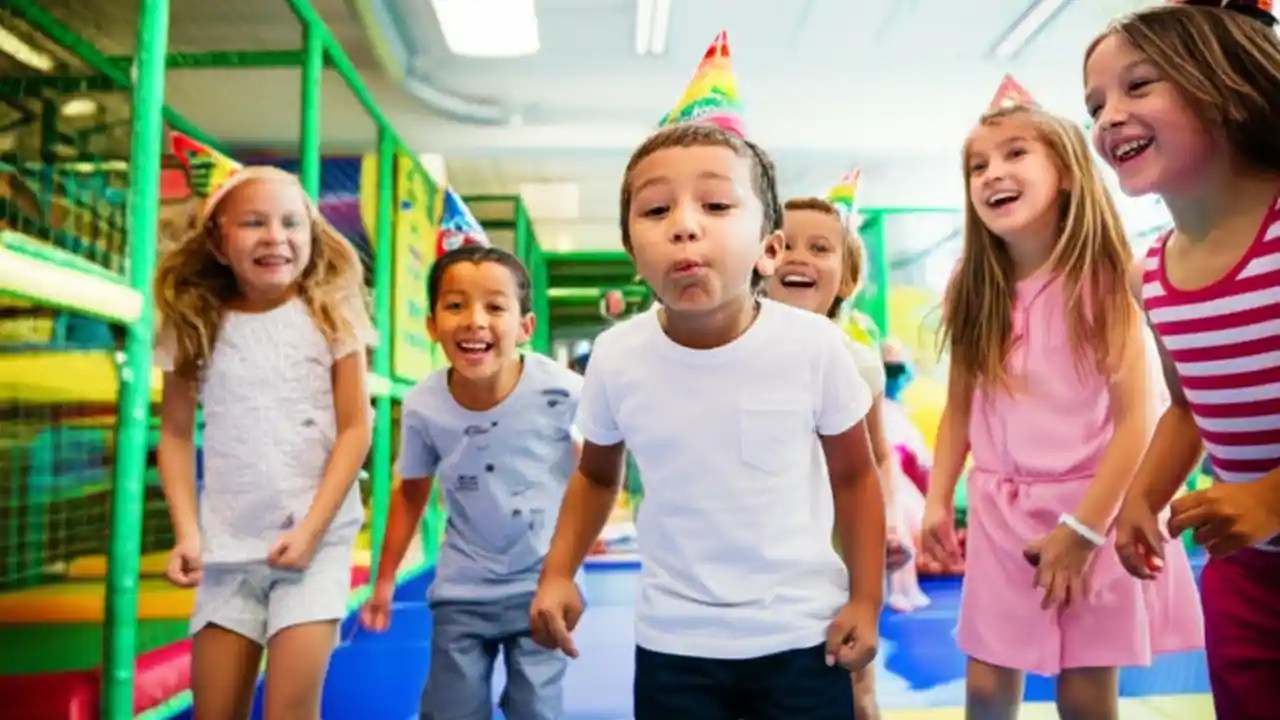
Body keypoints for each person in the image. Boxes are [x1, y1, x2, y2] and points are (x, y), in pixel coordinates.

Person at [528, 30, 885, 720]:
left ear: (769, 249)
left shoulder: (814, 348)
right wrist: (557, 573)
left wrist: (866, 598)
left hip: (801, 634)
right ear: (634, 253)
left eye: (716, 206)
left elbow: (855, 476)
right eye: (657, 211)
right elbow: (598, 475)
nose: (685, 226)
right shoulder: (619, 355)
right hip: (675, 643)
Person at [920, 92, 1203, 720]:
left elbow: (1139, 421)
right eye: (977, 166)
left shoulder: (1108, 281)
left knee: (1083, 687)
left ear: (1069, 173)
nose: (993, 173)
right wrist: (939, 497)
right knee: (989, 685)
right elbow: (959, 410)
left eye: (1016, 153)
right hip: (1001, 512)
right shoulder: (973, 284)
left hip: (1091, 508)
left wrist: (1084, 531)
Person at [1084, 2, 1280, 716]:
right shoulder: (1155, 276)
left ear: (1226, 85)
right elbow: (1192, 406)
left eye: (1139, 86)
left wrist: (1269, 497)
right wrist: (1144, 495)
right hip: (1249, 573)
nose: (1109, 117)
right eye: (1096, 103)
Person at [153, 161, 376, 719]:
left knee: (290, 713)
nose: (276, 237)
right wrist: (187, 533)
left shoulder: (332, 315)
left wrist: (310, 531)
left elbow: (356, 427)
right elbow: (176, 434)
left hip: (312, 545)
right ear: (219, 242)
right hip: (228, 549)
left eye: (290, 223)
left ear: (312, 235)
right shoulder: (196, 323)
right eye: (254, 223)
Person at [359, 245, 582, 720]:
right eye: (456, 305)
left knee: (537, 710)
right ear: (432, 323)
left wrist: (571, 562)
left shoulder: (563, 393)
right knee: (451, 711)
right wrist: (383, 580)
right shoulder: (424, 405)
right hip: (464, 589)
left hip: (541, 585)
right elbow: (411, 493)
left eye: (495, 307)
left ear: (526, 327)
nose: (474, 320)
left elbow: (595, 478)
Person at [763, 188, 927, 719]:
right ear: (760, 258)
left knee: (855, 682)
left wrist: (889, 526)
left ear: (848, 279)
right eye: (784, 244)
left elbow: (880, 455)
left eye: (820, 248)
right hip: (764, 554)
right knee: (758, 684)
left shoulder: (858, 362)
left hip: (840, 550)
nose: (799, 257)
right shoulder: (740, 352)